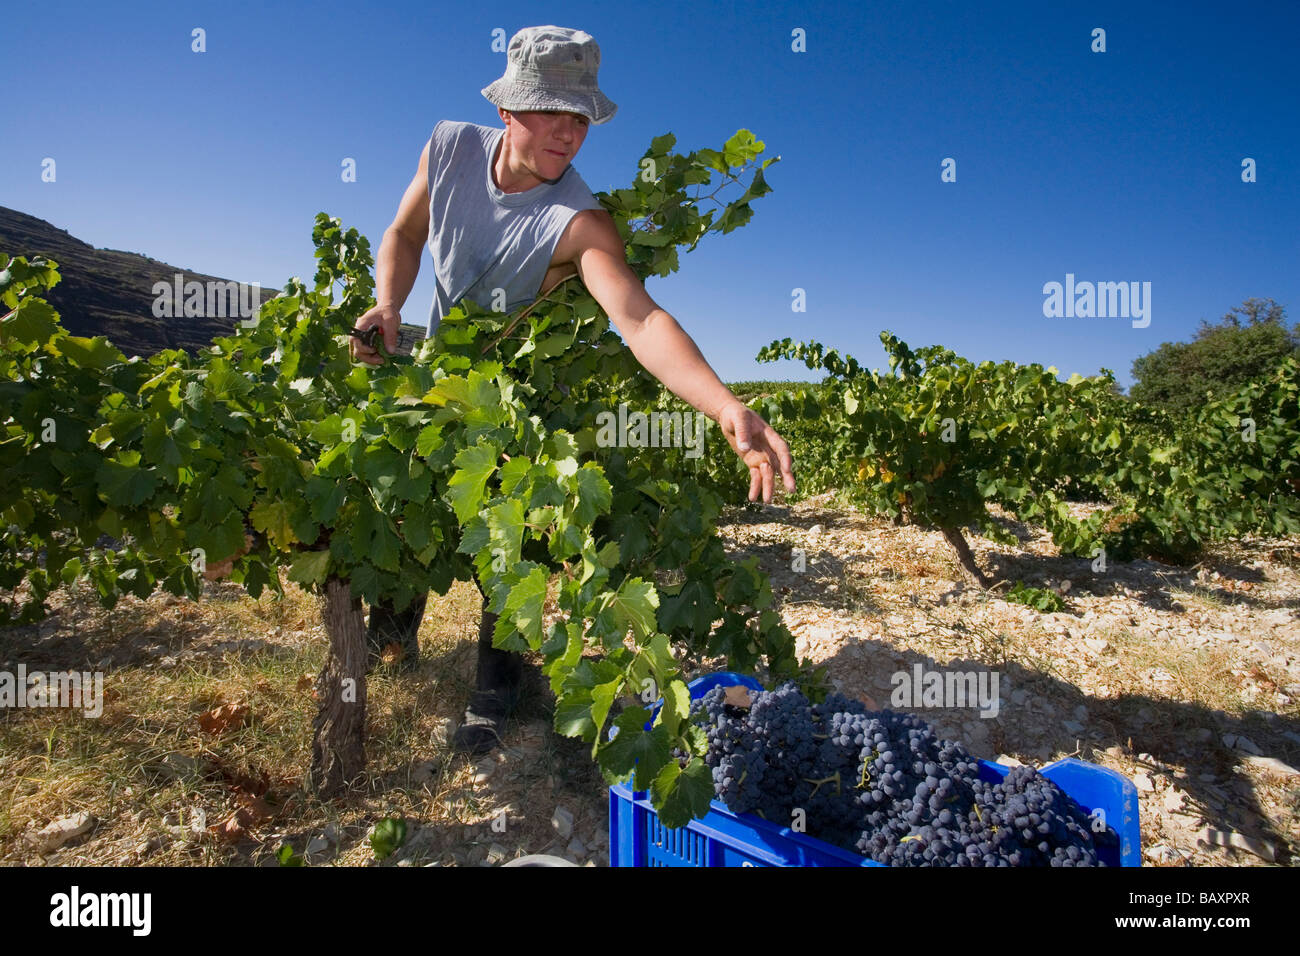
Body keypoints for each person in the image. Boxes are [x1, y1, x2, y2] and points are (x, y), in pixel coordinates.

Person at [350, 25, 796, 755]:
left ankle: (493, 689)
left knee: (515, 537)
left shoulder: (580, 223)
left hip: (521, 398)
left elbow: (640, 317)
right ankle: (392, 640)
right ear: (507, 109)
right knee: (406, 501)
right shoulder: (448, 147)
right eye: (550, 110)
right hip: (433, 374)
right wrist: (390, 304)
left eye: (581, 116)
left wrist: (725, 404)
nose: (569, 132)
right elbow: (402, 233)